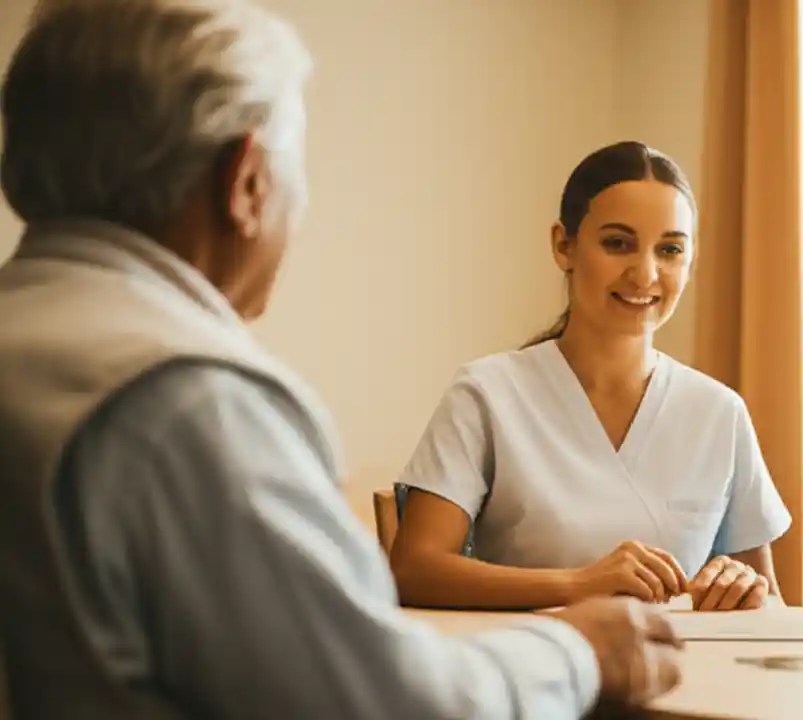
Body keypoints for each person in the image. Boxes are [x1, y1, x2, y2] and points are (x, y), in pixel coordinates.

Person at [0, 1, 682, 717]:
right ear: (249, 181)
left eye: (670, 247)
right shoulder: (188, 404)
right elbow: (387, 703)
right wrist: (577, 653)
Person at [391, 141, 792, 612]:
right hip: (533, 669)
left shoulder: (719, 413)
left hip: (685, 676)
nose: (645, 274)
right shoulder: (486, 395)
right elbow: (412, 570)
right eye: (618, 244)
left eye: (669, 250)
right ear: (564, 245)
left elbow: (770, 607)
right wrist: (579, 584)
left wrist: (744, 586)